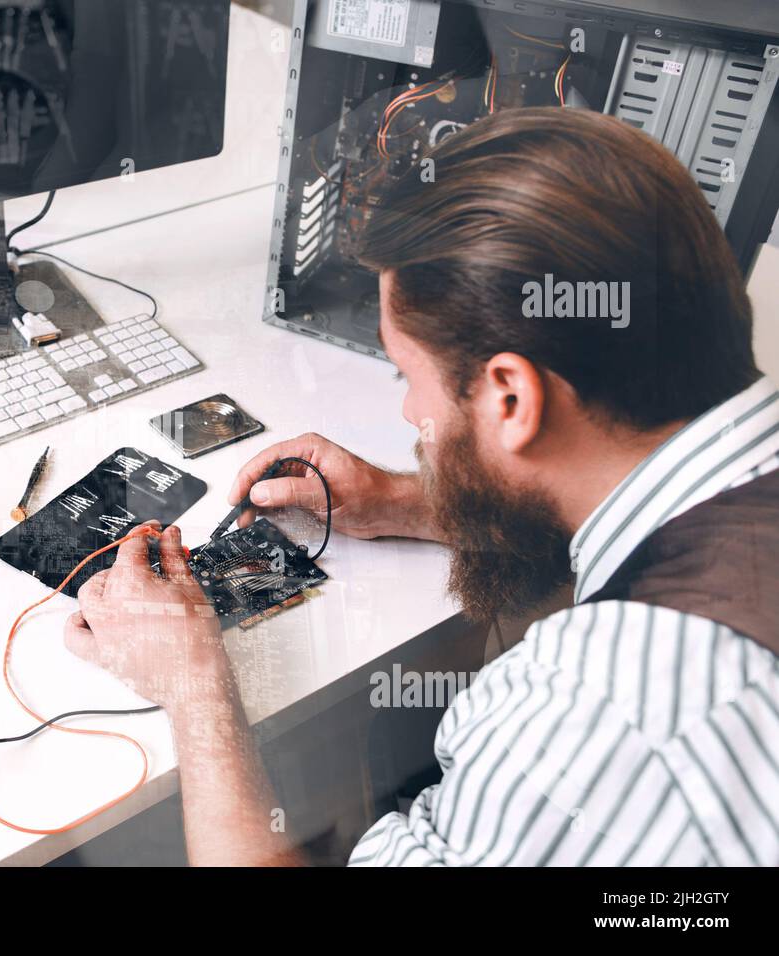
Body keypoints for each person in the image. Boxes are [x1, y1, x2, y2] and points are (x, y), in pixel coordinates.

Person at [62, 107, 779, 866]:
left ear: (511, 399)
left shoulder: (599, 715)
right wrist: (415, 502)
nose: (409, 413)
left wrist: (192, 681)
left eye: (410, 378)